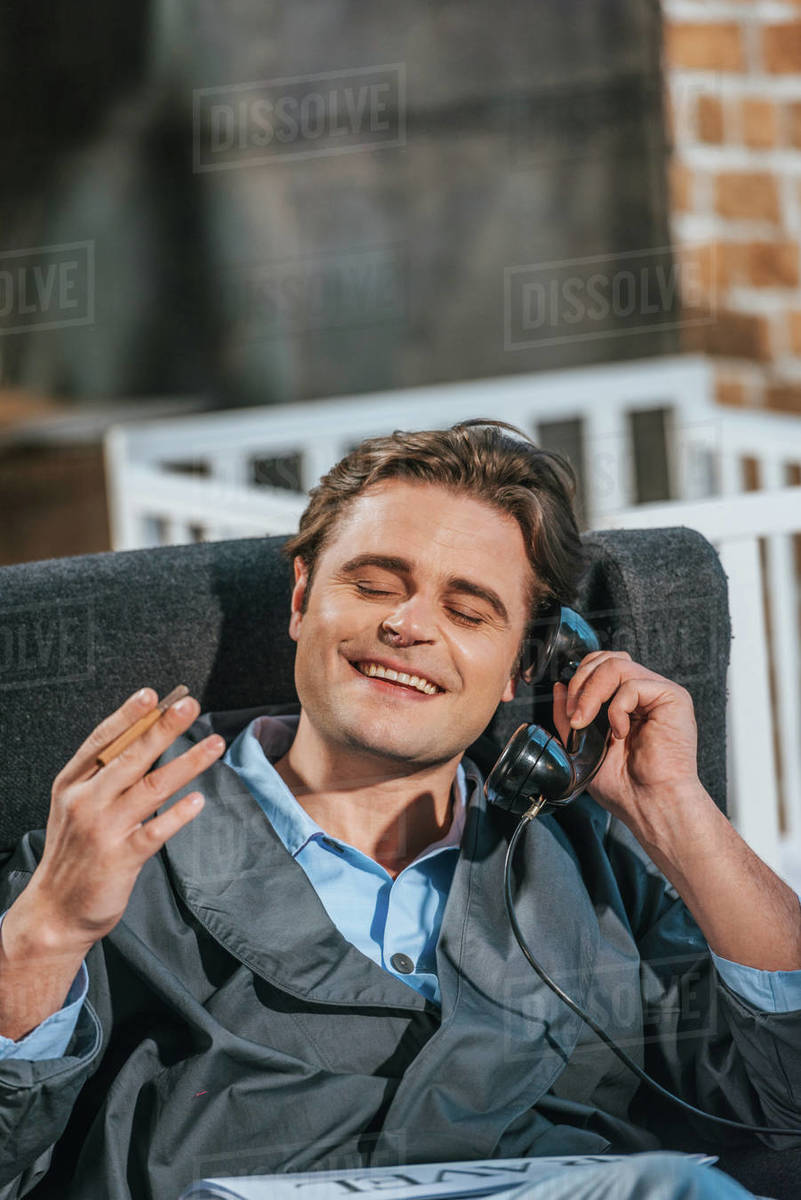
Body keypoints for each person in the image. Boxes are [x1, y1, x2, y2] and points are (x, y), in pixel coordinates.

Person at [0, 420, 799, 1200]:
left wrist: (674, 808)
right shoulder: (108, 845)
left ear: (525, 662)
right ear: (302, 597)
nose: (406, 625)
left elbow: (784, 1103)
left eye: (468, 612)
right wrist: (47, 934)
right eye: (373, 586)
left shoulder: (584, 862)